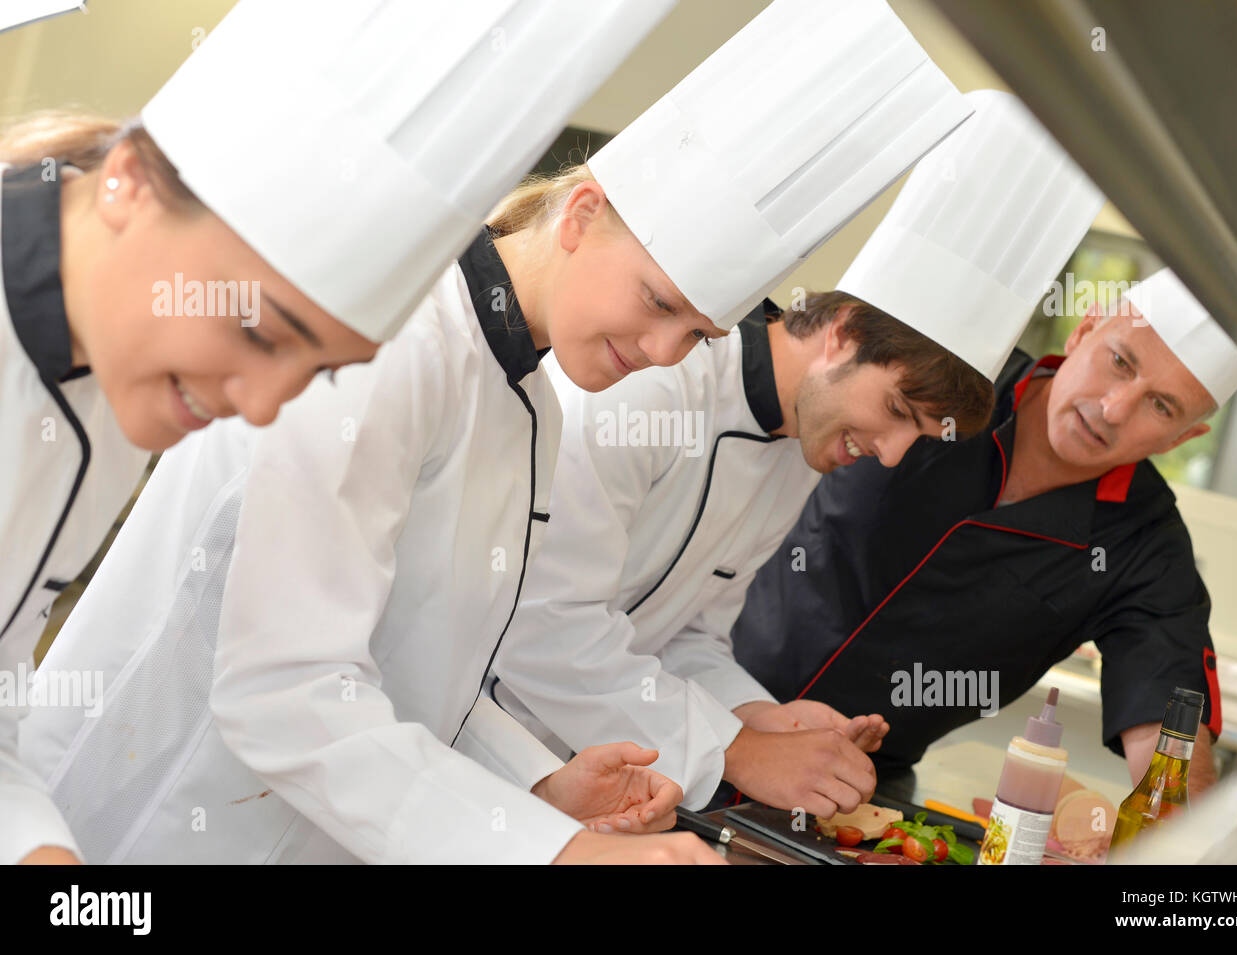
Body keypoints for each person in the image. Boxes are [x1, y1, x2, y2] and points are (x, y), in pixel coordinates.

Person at [24, 0, 947, 865]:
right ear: (581, 213)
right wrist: (555, 848)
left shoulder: (531, 408)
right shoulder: (398, 348)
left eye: (699, 334)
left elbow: (419, 661)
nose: (668, 352)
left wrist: (532, 782)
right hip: (149, 809)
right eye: (659, 302)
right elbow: (291, 690)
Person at [3, 0, 678, 864]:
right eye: (258, 331)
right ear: (128, 183)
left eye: (318, 370)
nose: (257, 409)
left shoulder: (114, 384)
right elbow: (288, 686)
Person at [491, 90, 1105, 816]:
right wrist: (736, 751)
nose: (889, 453)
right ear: (842, 332)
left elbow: (684, 634)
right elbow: (540, 617)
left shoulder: (797, 453)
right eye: (897, 412)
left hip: (572, 776)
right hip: (477, 746)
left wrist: (761, 717)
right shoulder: (657, 377)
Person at [731, 266, 1237, 800]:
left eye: (1160, 405)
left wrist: (1181, 853)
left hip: (857, 788)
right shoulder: (953, 374)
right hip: (704, 696)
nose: (1114, 409)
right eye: (1119, 362)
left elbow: (1168, 735)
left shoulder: (1145, 546)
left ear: (1182, 437)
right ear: (1083, 330)